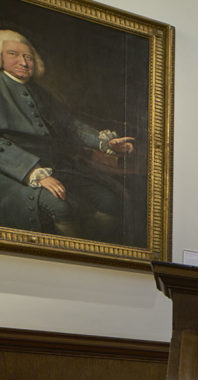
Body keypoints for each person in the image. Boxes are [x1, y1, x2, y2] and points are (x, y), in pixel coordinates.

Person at [0, 30, 135, 240]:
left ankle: (92, 250)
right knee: (59, 207)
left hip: (56, 167)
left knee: (110, 201)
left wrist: (106, 143)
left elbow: (69, 126)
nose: (24, 62)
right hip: (13, 173)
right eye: (13, 54)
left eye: (28, 57)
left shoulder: (39, 91)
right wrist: (33, 171)